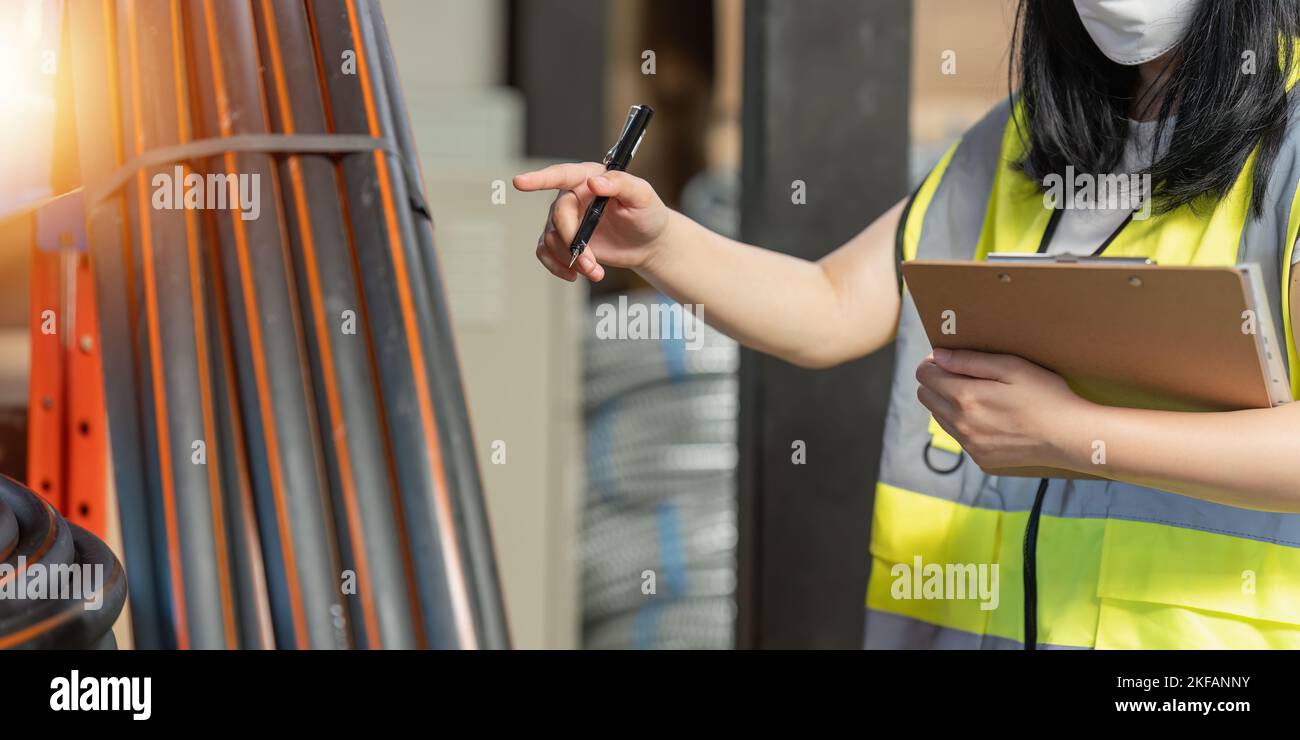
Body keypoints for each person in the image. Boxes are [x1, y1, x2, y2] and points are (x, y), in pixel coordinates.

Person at [514, 0, 1300, 649]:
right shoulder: (1024, 141)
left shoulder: (1291, 143)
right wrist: (660, 244)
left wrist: (1071, 433)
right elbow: (827, 305)